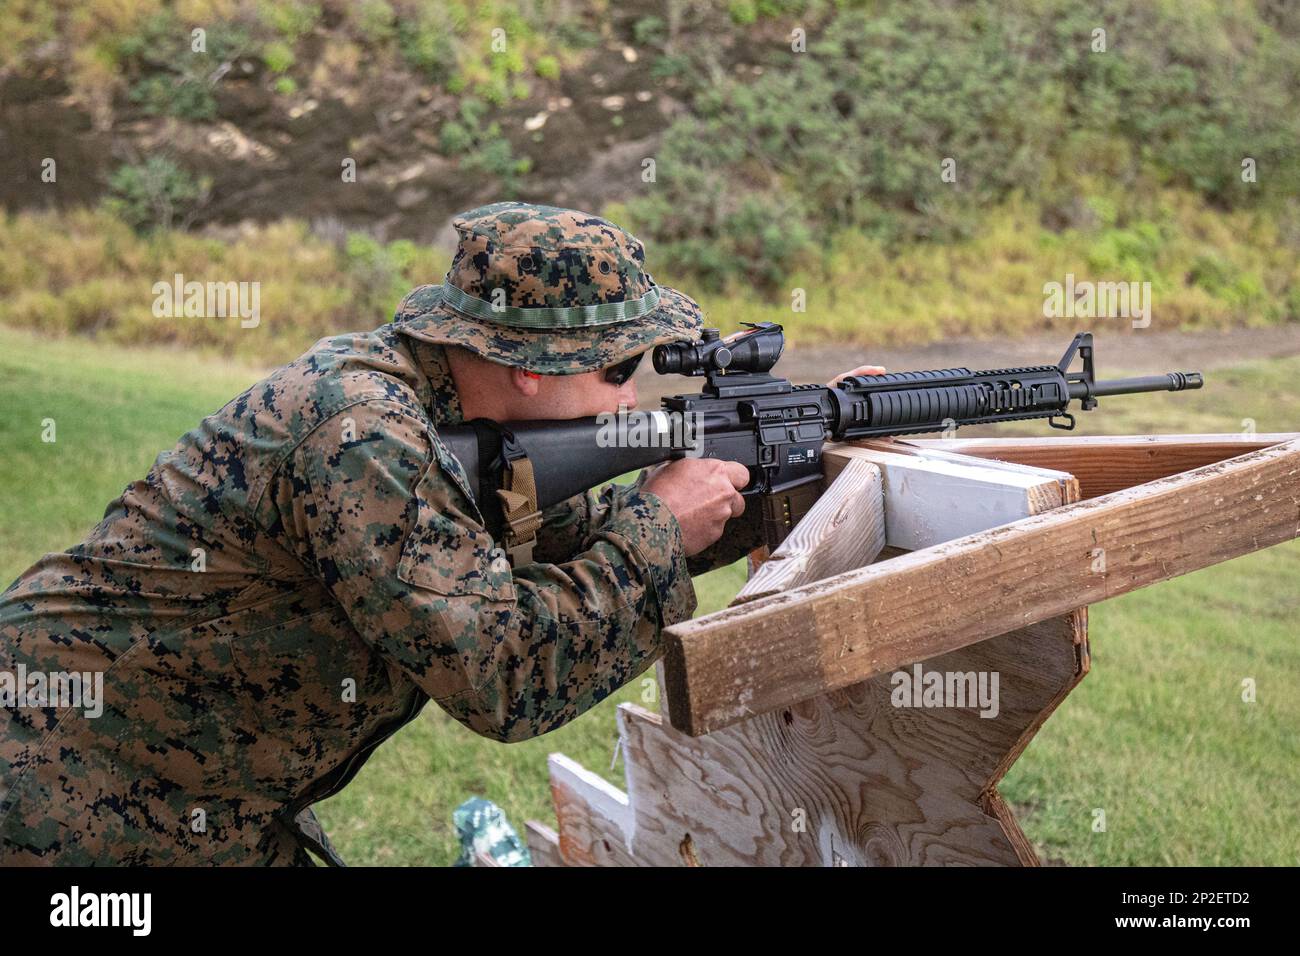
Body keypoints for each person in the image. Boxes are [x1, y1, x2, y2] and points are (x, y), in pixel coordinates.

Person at [0, 201, 881, 865]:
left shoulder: (442, 413)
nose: (629, 399)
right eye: (619, 367)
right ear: (531, 368)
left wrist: (786, 458)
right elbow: (503, 671)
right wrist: (659, 525)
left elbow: (568, 536)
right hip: (68, 786)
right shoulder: (362, 433)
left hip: (202, 787)